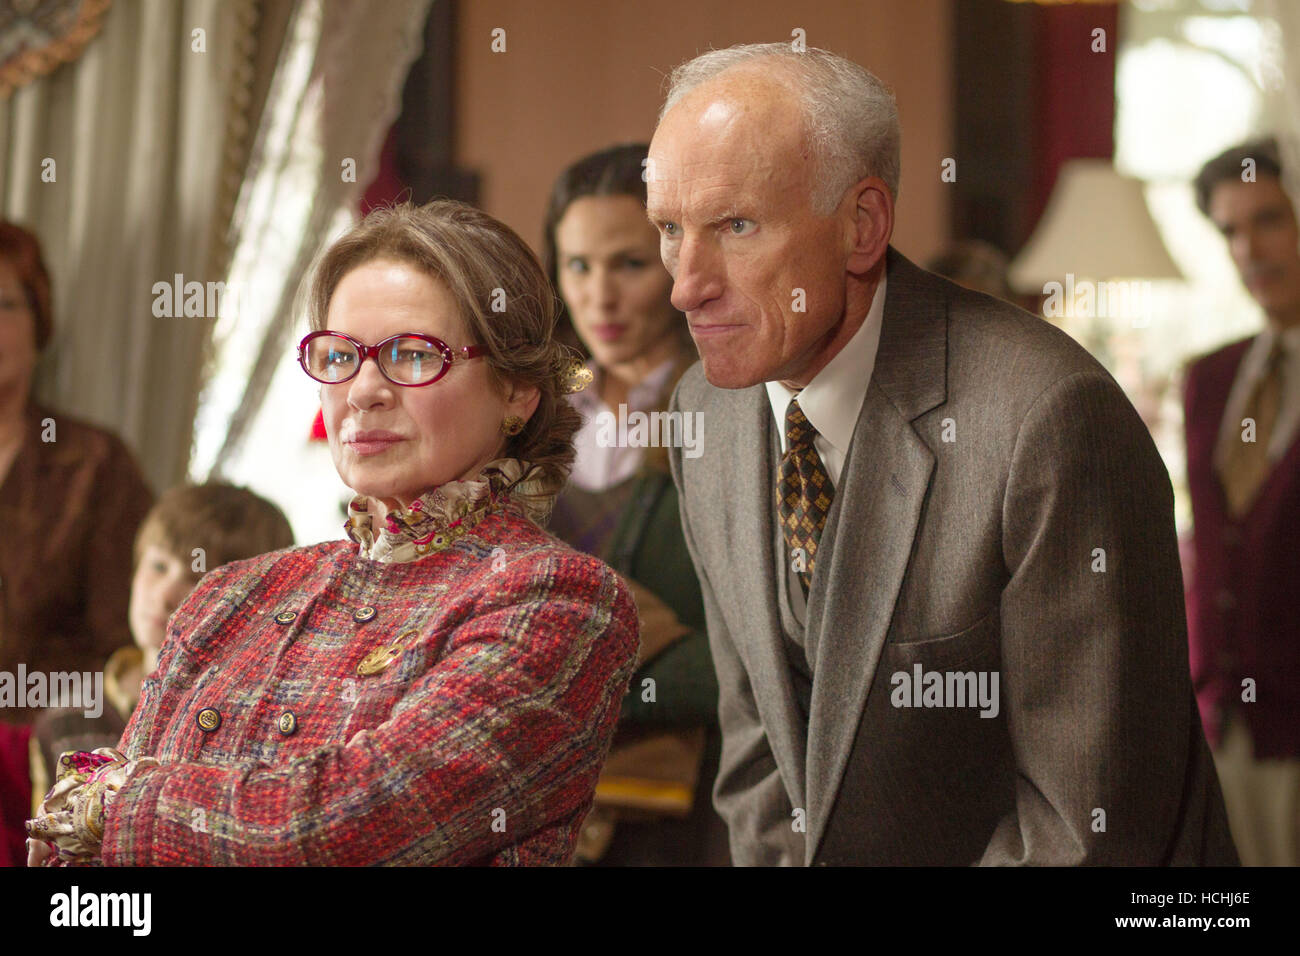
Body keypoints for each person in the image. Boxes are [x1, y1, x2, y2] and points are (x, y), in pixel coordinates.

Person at [649, 43, 1238, 865]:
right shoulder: (702, 410)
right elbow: (760, 761)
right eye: (671, 231)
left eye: (735, 226)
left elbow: (1087, 830)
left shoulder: (1048, 418)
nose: (685, 285)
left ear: (863, 225)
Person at [26, 200, 639, 866]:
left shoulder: (560, 599)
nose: (364, 389)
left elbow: (337, 831)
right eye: (340, 354)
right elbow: (73, 867)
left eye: (411, 354)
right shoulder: (232, 593)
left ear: (517, 390)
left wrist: (111, 801)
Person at [543, 143, 728, 865]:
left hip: (690, 815)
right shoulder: (533, 415)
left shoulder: (733, 413)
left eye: (628, 264)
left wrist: (588, 688)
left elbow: (772, 658)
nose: (600, 298)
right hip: (547, 815)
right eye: (578, 266)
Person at [0, 221, 153, 867]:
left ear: (39, 323)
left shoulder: (95, 462)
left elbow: (127, 650)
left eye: (5, 305)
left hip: (42, 756)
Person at [1185, 137, 1300, 866]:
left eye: (1268, 220)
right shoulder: (1211, 377)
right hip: (1220, 726)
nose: (1248, 248)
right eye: (1229, 230)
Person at [29, 482, 296, 793]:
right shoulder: (68, 715)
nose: (165, 595)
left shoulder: (261, 724)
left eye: (197, 579)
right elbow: (48, 834)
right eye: (158, 566)